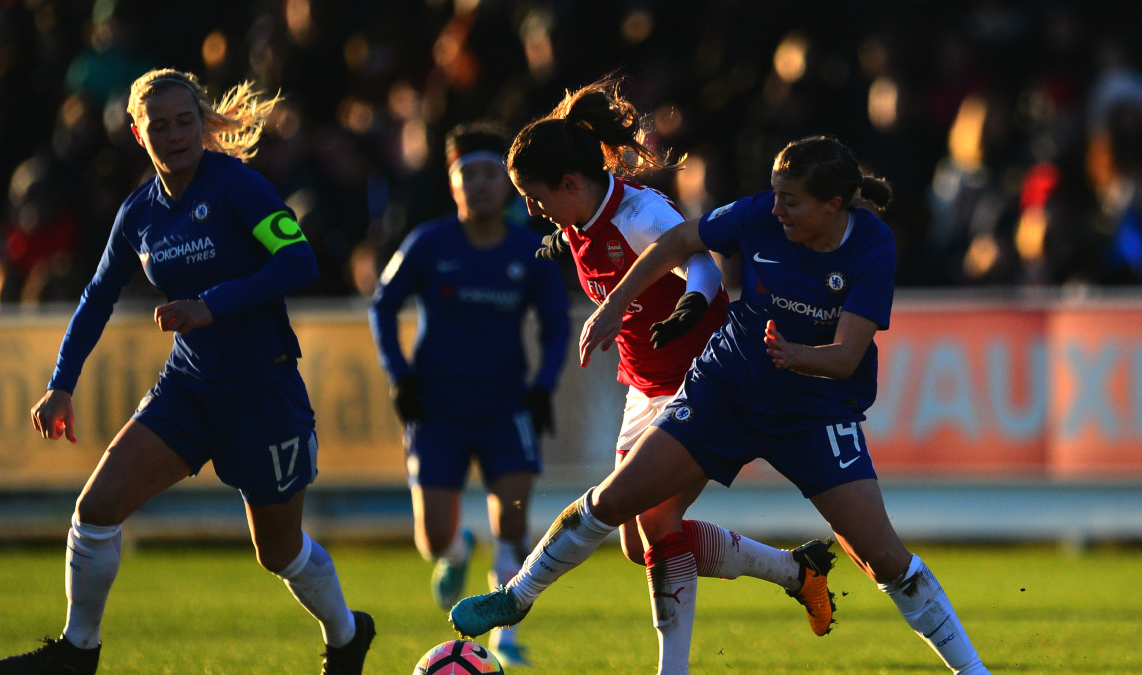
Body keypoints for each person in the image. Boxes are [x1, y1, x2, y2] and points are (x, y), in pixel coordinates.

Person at [451, 135, 992, 675]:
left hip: (814, 410)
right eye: (775, 194)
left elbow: (846, 357)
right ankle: (518, 596)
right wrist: (617, 303)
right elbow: (682, 242)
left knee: (884, 559)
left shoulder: (872, 246)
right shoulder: (760, 213)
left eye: (791, 201)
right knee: (622, 506)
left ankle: (973, 671)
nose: (775, 208)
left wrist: (793, 353)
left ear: (833, 206)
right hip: (724, 391)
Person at [0, 68, 375, 675]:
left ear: (203, 124)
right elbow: (96, 296)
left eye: (184, 121)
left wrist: (211, 303)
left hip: (263, 392)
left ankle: (348, 635)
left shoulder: (238, 187)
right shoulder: (138, 213)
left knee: (277, 552)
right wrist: (61, 384)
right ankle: (78, 650)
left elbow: (299, 261)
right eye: (159, 126)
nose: (174, 135)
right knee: (95, 509)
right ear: (139, 136)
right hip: (189, 391)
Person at [453, 77, 841, 674]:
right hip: (645, 386)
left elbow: (699, 261)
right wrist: (566, 238)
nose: (531, 212)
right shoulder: (582, 217)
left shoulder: (640, 211)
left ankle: (547, 610)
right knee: (641, 543)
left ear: (571, 183)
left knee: (655, 522)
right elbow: (588, 235)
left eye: (535, 199)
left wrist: (691, 302)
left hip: (704, 377)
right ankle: (796, 571)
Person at [368, 121, 570, 667]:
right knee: (433, 536)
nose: (480, 185)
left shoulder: (533, 251)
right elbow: (382, 307)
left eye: (490, 173)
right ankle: (456, 554)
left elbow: (556, 326)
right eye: (468, 174)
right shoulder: (428, 244)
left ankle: (506, 638)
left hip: (506, 406)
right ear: (452, 183)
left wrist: (543, 387)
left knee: (515, 521)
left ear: (507, 184)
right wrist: (400, 376)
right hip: (436, 408)